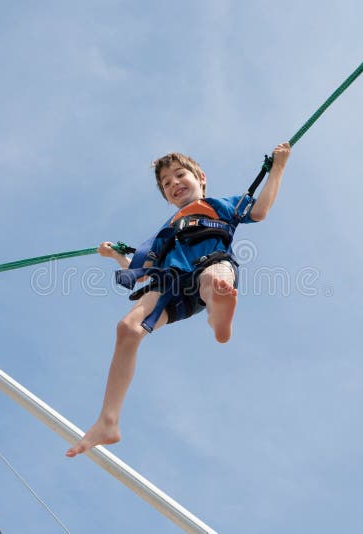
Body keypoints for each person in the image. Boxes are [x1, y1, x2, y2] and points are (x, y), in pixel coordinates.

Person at [66, 142, 291, 458]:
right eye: (166, 184)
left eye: (179, 175)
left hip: (213, 264)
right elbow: (142, 271)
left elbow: (260, 210)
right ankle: (108, 421)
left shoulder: (220, 205)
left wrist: (277, 167)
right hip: (172, 285)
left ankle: (217, 314)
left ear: (200, 177)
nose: (173, 184)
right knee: (127, 329)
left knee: (212, 279)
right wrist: (115, 254)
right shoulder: (162, 234)